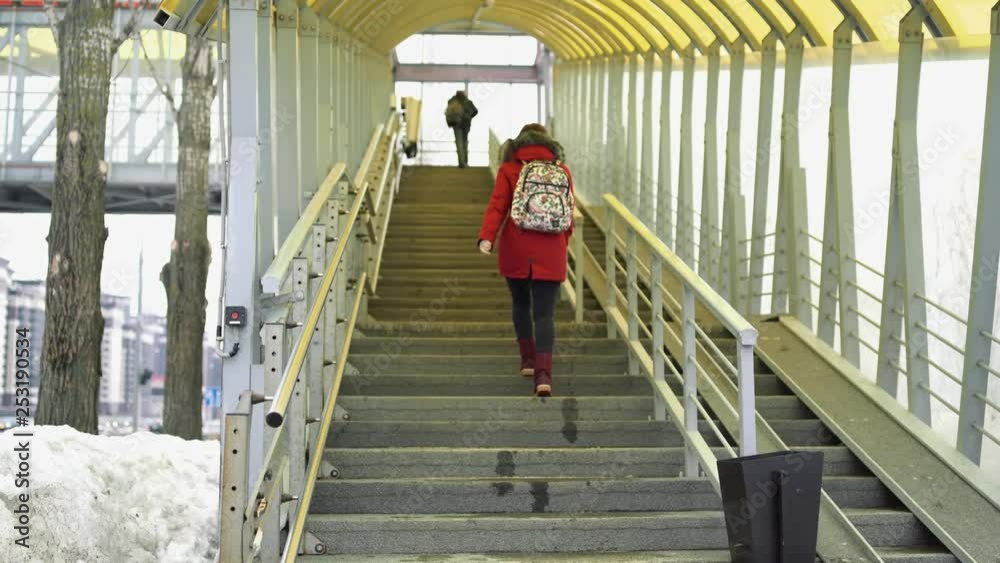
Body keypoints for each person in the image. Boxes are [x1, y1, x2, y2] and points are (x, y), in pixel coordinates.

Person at [477, 124, 574, 397]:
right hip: (551, 250)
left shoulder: (509, 169)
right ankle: (544, 376)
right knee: (545, 313)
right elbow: (569, 216)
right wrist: (561, 243)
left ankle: (528, 360)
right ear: (549, 143)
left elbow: (498, 205)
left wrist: (487, 237)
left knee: (521, 304)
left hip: (517, 246)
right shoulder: (562, 171)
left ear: (520, 142)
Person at [445, 90, 478, 168]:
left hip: (456, 124)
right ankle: (465, 162)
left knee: (459, 142)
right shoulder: (468, 102)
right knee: (465, 142)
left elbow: (449, 112)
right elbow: (476, 111)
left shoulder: (451, 101)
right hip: (466, 125)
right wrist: (469, 117)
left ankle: (461, 162)